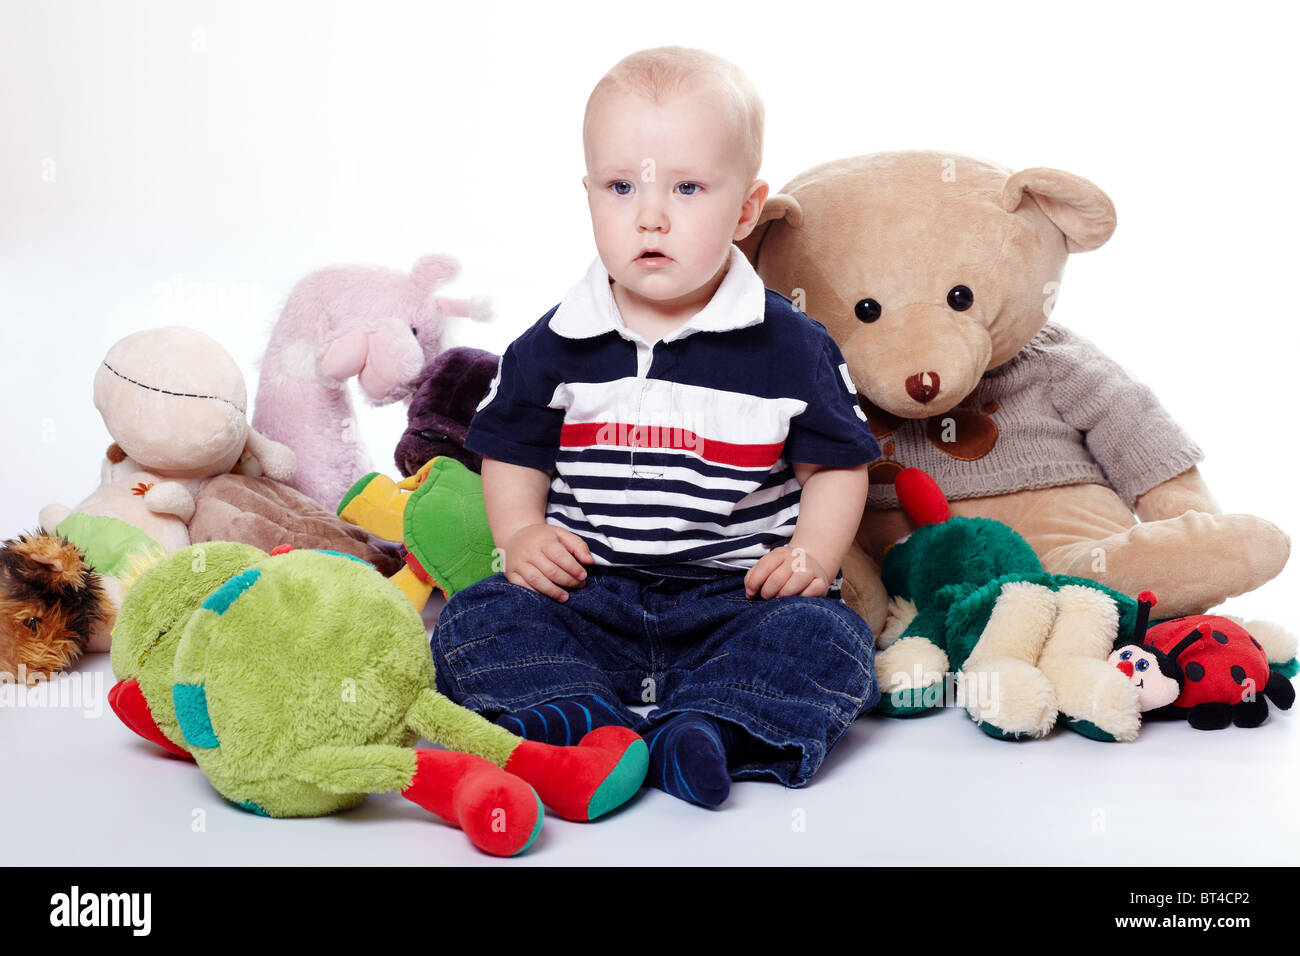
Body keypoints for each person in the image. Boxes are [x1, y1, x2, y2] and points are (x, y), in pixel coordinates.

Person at [431, 46, 882, 808]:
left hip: (733, 601)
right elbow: (514, 452)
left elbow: (837, 467)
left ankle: (709, 726)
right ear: (589, 197)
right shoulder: (556, 342)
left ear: (745, 209)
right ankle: (583, 721)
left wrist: (811, 552)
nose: (650, 214)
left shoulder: (790, 346)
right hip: (588, 596)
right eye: (620, 186)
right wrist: (520, 536)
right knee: (474, 618)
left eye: (687, 187)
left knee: (831, 639)